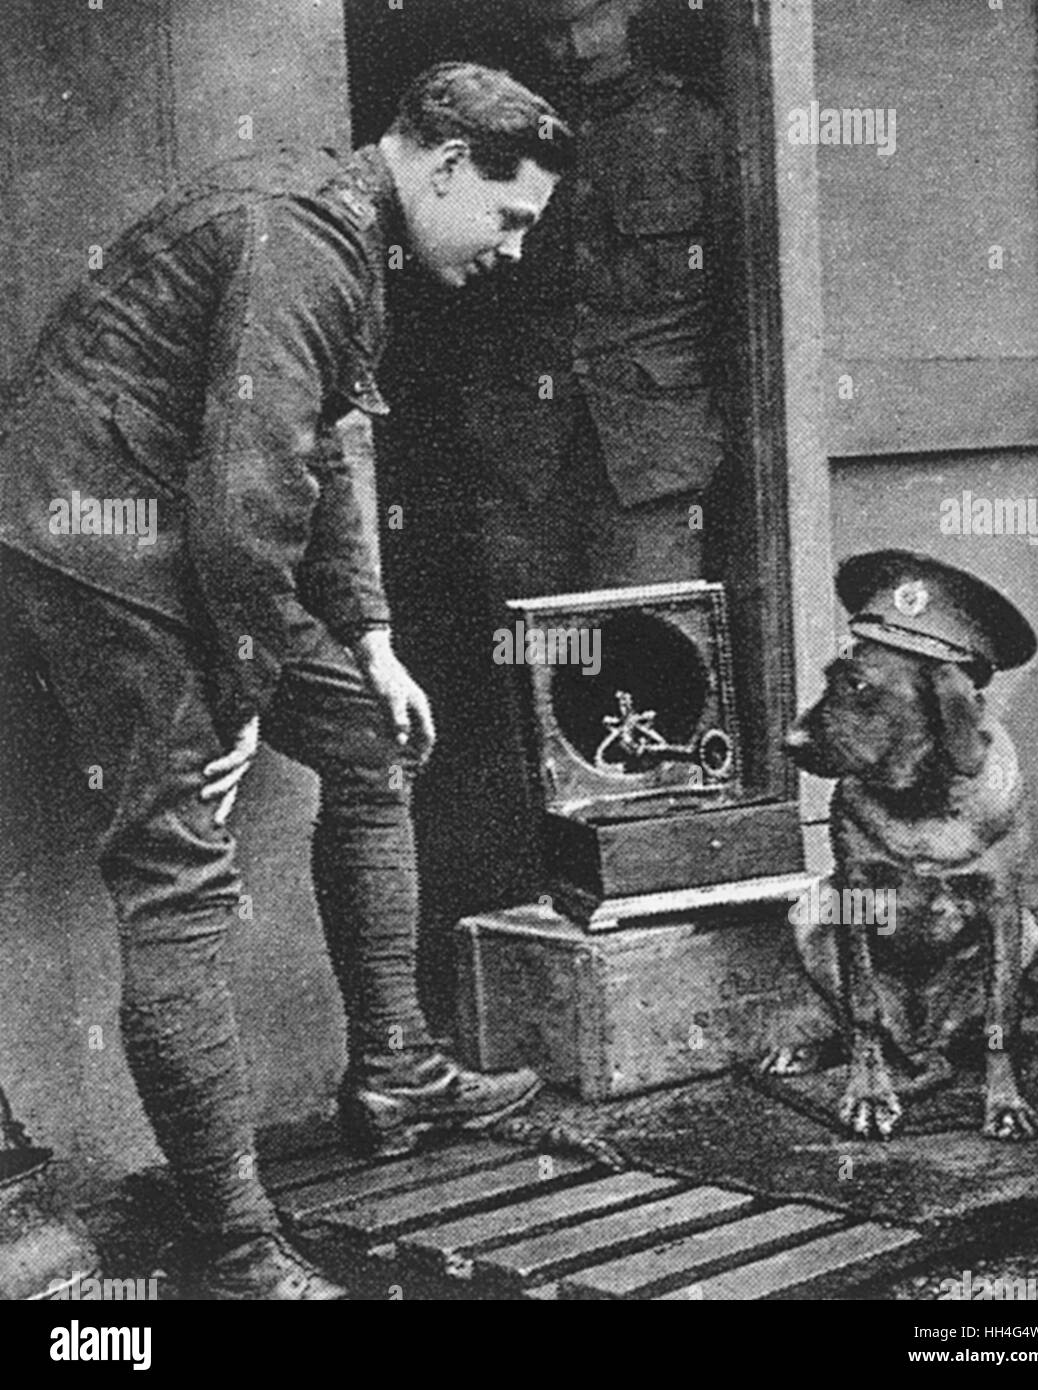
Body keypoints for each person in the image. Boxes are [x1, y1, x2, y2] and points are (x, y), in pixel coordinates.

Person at [0, 62, 573, 1300]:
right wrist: (248, 685)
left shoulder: (356, 237)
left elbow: (323, 452)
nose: (515, 249)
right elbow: (244, 502)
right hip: (98, 550)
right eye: (509, 217)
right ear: (440, 165)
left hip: (186, 537)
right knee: (178, 863)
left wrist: (365, 637)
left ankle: (398, 1074)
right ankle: (239, 1248)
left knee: (375, 731)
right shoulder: (304, 236)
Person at [463, 0, 726, 596]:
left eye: (591, 21)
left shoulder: (696, 127)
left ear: (634, 9)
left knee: (646, 640)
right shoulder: (503, 138)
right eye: (554, 31)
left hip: (655, 452)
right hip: (523, 442)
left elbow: (741, 296)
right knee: (533, 648)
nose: (576, 49)